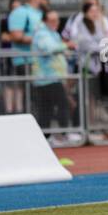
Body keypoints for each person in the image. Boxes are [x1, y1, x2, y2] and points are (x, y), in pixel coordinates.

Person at [31, 9, 79, 144]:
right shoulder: (42, 34)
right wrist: (66, 45)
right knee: (61, 104)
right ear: (45, 21)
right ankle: (63, 134)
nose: (55, 23)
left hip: (52, 77)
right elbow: (49, 48)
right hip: (47, 78)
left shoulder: (52, 34)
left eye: (57, 20)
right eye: (52, 20)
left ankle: (46, 137)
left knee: (48, 108)